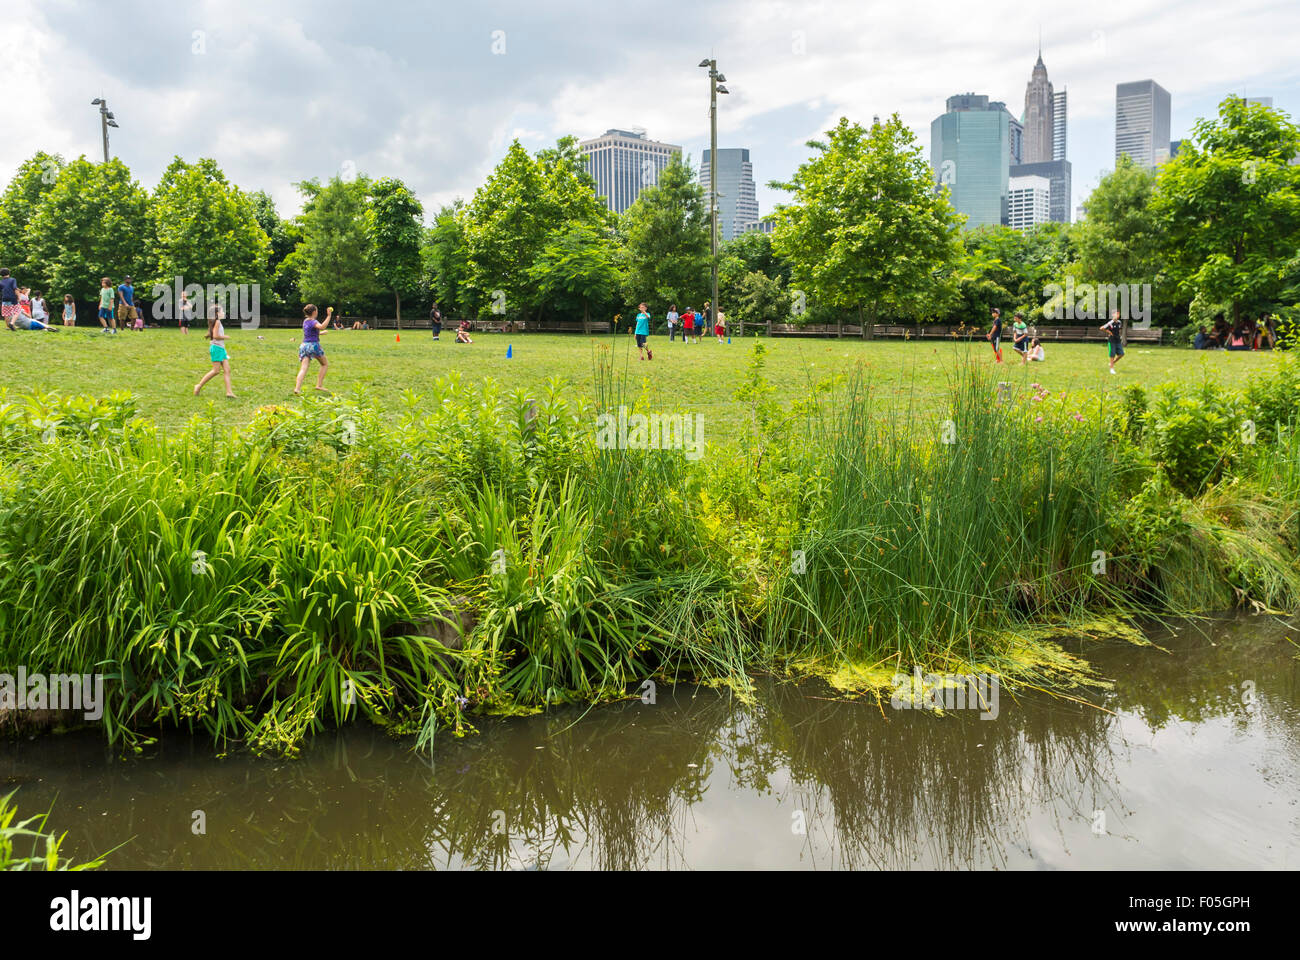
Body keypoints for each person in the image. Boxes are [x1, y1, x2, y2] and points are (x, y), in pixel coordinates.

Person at [194, 304, 235, 397]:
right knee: (216, 371)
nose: (224, 312)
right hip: (217, 349)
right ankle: (198, 386)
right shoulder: (217, 322)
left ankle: (229, 392)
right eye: (222, 311)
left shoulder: (217, 322)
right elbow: (216, 336)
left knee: (227, 370)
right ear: (217, 313)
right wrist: (226, 337)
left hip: (220, 349)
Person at [294, 304, 333, 394]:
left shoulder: (305, 321)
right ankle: (319, 385)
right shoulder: (313, 321)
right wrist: (329, 315)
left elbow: (311, 333)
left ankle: (297, 388)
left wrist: (321, 333)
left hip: (304, 346)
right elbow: (322, 326)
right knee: (324, 364)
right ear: (314, 312)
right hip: (313, 346)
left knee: (303, 368)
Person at [1101, 309, 1125, 374]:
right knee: (1112, 355)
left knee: (1121, 354)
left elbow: (1118, 329)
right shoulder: (1110, 323)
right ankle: (1111, 369)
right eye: (1116, 314)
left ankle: (1112, 363)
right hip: (1111, 341)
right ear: (1112, 315)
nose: (1117, 315)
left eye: (1118, 314)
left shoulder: (1119, 322)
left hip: (1118, 340)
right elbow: (1102, 328)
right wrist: (1109, 332)